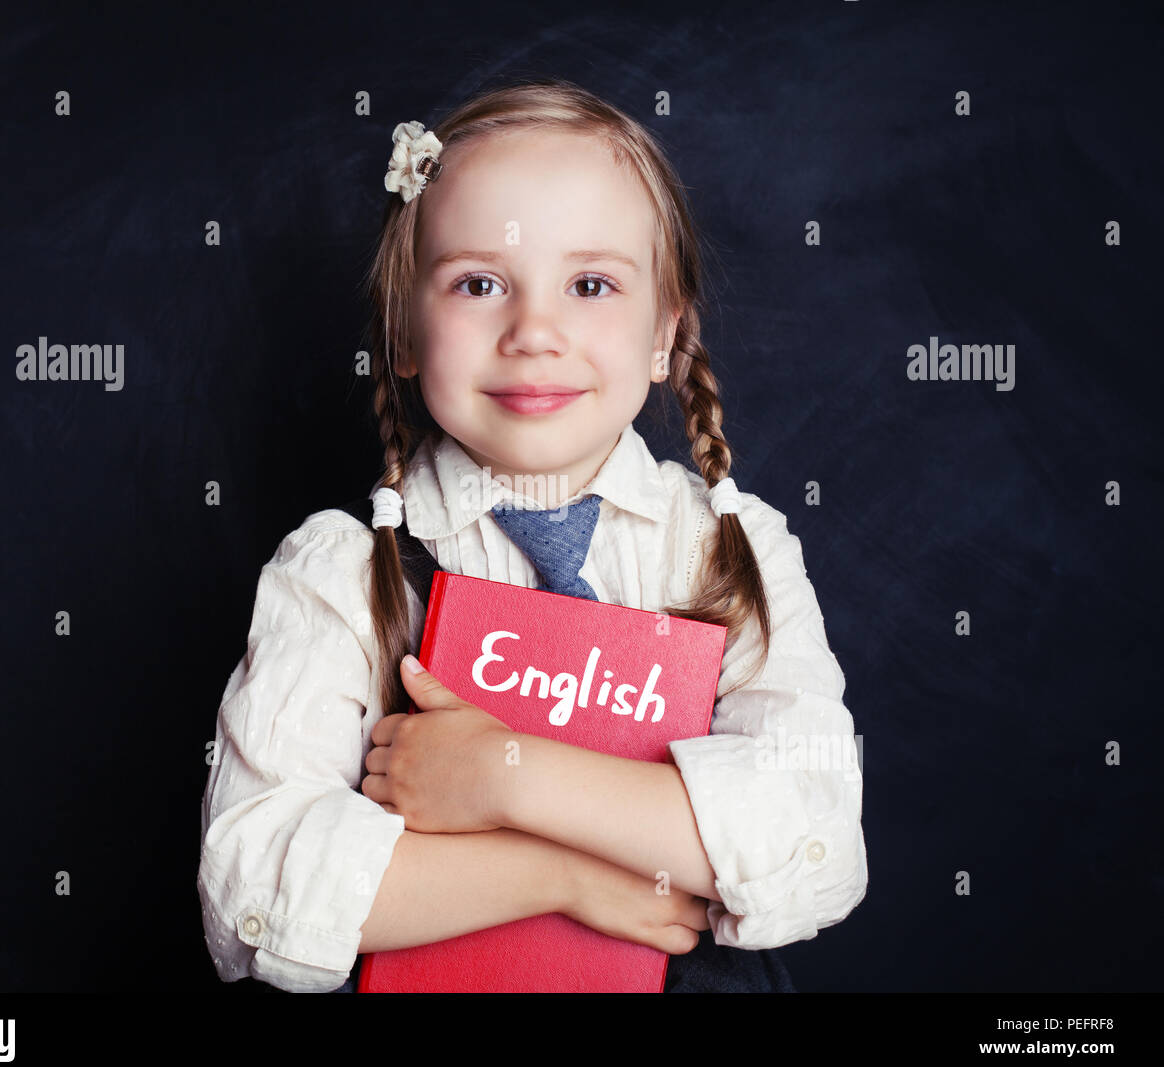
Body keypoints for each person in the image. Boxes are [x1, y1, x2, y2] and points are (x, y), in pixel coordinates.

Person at [197, 77, 867, 993]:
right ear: (404, 329)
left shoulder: (732, 551)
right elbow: (251, 891)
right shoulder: (344, 574)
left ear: (665, 330)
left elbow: (813, 839)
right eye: (479, 283)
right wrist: (568, 876)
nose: (535, 331)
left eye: (591, 284)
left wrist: (504, 778)